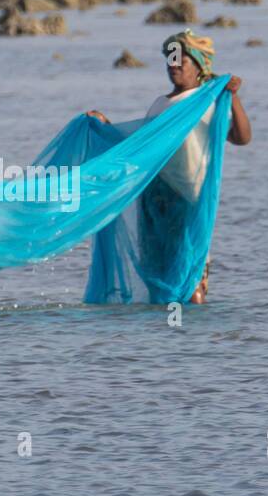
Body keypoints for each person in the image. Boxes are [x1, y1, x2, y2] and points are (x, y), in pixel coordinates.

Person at [87, 30, 250, 303]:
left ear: (199, 66)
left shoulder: (206, 102)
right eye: (170, 59)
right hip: (155, 204)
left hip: (187, 203)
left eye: (180, 59)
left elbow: (241, 138)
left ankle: (194, 341)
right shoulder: (160, 105)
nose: (173, 65)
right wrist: (106, 127)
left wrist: (233, 97)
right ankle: (164, 343)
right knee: (160, 280)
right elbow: (140, 147)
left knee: (190, 281)